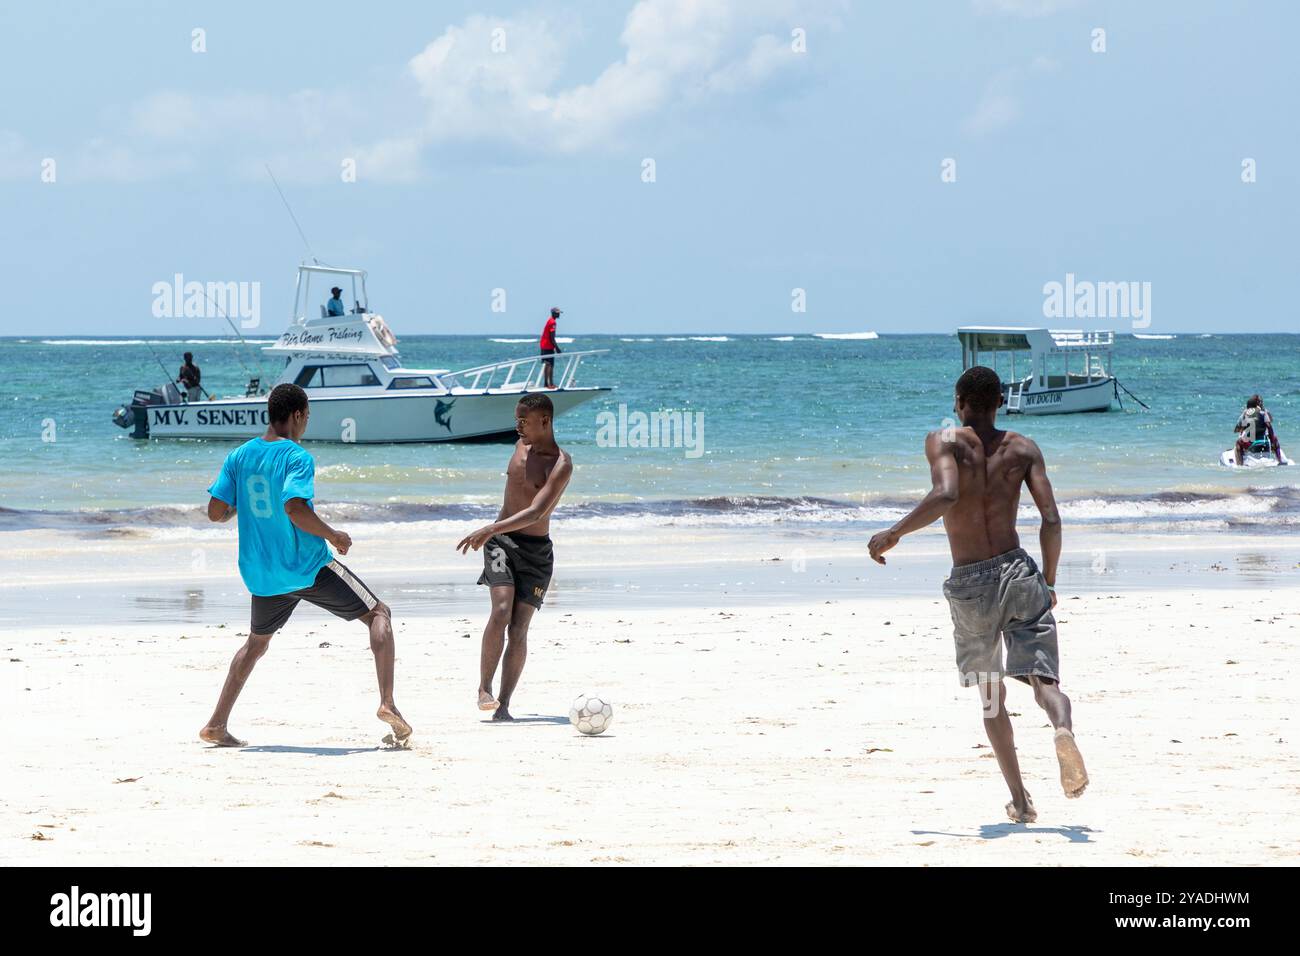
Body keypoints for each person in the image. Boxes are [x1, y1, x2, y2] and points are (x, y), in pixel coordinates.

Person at [868, 366, 1088, 823]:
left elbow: (947, 495)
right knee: (1045, 682)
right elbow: (1051, 521)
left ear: (958, 401)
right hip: (1019, 574)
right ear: (1000, 402)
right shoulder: (1024, 448)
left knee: (991, 696)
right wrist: (1048, 581)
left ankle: (1022, 800)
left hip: (971, 584)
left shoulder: (944, 440)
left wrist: (895, 533)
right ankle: (1062, 730)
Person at [198, 383, 411, 748]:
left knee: (255, 644)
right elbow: (295, 509)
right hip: (305, 567)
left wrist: (243, 505)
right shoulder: (296, 457)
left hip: (263, 574)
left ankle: (216, 724)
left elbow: (216, 512)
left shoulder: (239, 456)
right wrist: (334, 535)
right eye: (307, 416)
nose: (307, 422)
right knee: (379, 613)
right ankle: (388, 703)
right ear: (297, 415)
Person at [457, 393, 572, 721]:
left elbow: (537, 512)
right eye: (516, 419)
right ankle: (484, 688)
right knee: (502, 610)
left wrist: (488, 528)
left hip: (536, 554)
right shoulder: (519, 445)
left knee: (519, 628)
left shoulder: (562, 464)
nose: (517, 426)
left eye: (524, 420)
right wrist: (494, 533)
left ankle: (504, 705)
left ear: (545, 422)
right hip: (502, 543)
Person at [1234, 394, 1286, 465]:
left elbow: (1239, 429)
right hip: (1263, 441)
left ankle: (1240, 464)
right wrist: (1272, 439)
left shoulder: (1246, 413)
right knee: (1274, 439)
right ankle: (1279, 460)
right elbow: (1269, 425)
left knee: (1238, 442)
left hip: (1250, 442)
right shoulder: (1264, 412)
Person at [540, 307, 562, 388]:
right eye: (557, 313)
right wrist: (557, 348)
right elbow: (552, 337)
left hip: (543, 344)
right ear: (553, 313)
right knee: (550, 365)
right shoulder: (553, 322)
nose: (559, 314)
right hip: (548, 345)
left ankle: (546, 384)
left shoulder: (549, 321)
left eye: (559, 312)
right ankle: (551, 384)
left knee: (547, 364)